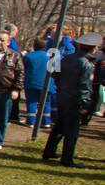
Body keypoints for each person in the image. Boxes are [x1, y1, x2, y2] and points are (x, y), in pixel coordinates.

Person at [42, 32, 100, 169]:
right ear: (93, 48)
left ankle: (49, 151)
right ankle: (67, 158)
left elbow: (55, 74)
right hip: (74, 99)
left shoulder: (67, 58)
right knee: (72, 130)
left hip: (62, 95)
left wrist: (62, 88)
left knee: (60, 126)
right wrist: (85, 103)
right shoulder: (86, 64)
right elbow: (85, 86)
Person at [22, 38, 53, 126]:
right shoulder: (51, 56)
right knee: (46, 103)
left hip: (32, 82)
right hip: (47, 84)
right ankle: (46, 122)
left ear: (34, 46)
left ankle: (31, 121)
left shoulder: (28, 56)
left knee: (32, 102)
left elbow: (23, 68)